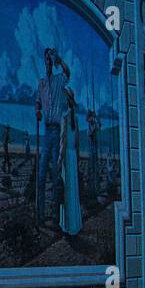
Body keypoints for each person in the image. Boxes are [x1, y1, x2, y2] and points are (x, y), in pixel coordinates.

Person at [34, 47, 70, 226]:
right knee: (41, 176)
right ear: (44, 62)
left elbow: (67, 72)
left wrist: (59, 58)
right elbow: (37, 101)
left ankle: (56, 218)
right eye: (46, 60)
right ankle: (40, 216)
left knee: (56, 176)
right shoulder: (41, 83)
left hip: (56, 131)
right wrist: (37, 110)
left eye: (50, 61)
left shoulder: (58, 80)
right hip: (46, 132)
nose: (48, 63)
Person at [59, 86, 82, 236]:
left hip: (67, 155)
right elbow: (78, 141)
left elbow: (63, 140)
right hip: (73, 155)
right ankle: (74, 225)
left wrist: (60, 158)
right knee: (74, 190)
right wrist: (77, 156)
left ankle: (67, 225)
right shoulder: (75, 118)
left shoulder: (65, 117)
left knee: (67, 189)